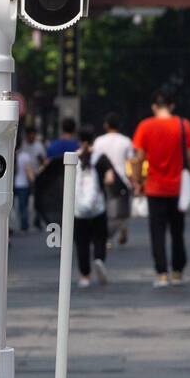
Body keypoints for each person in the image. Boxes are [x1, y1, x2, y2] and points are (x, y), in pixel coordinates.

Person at [133, 89, 190, 286]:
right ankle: (177, 271)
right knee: (178, 231)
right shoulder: (183, 125)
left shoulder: (145, 126)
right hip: (178, 188)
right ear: (172, 106)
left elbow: (138, 158)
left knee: (157, 232)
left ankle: (161, 273)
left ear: (154, 106)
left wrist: (138, 181)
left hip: (154, 187)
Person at [73, 129, 109, 287]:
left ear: (80, 140)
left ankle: (84, 276)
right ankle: (99, 259)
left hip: (78, 209)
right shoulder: (100, 157)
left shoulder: (73, 157)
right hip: (98, 207)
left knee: (82, 243)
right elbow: (110, 178)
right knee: (100, 237)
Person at [91, 113, 133, 245]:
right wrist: (134, 180)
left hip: (104, 179)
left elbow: (95, 160)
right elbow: (130, 161)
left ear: (106, 125)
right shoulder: (126, 141)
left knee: (106, 208)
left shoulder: (99, 141)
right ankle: (122, 227)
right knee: (123, 208)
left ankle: (107, 236)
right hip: (122, 179)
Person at [13, 124, 46, 234]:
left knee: (37, 199)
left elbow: (43, 160)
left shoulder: (38, 146)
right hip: (24, 175)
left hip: (36, 174)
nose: (31, 137)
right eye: (30, 135)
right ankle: (24, 222)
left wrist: (39, 171)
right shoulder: (23, 145)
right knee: (23, 202)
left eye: (33, 135)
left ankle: (36, 220)